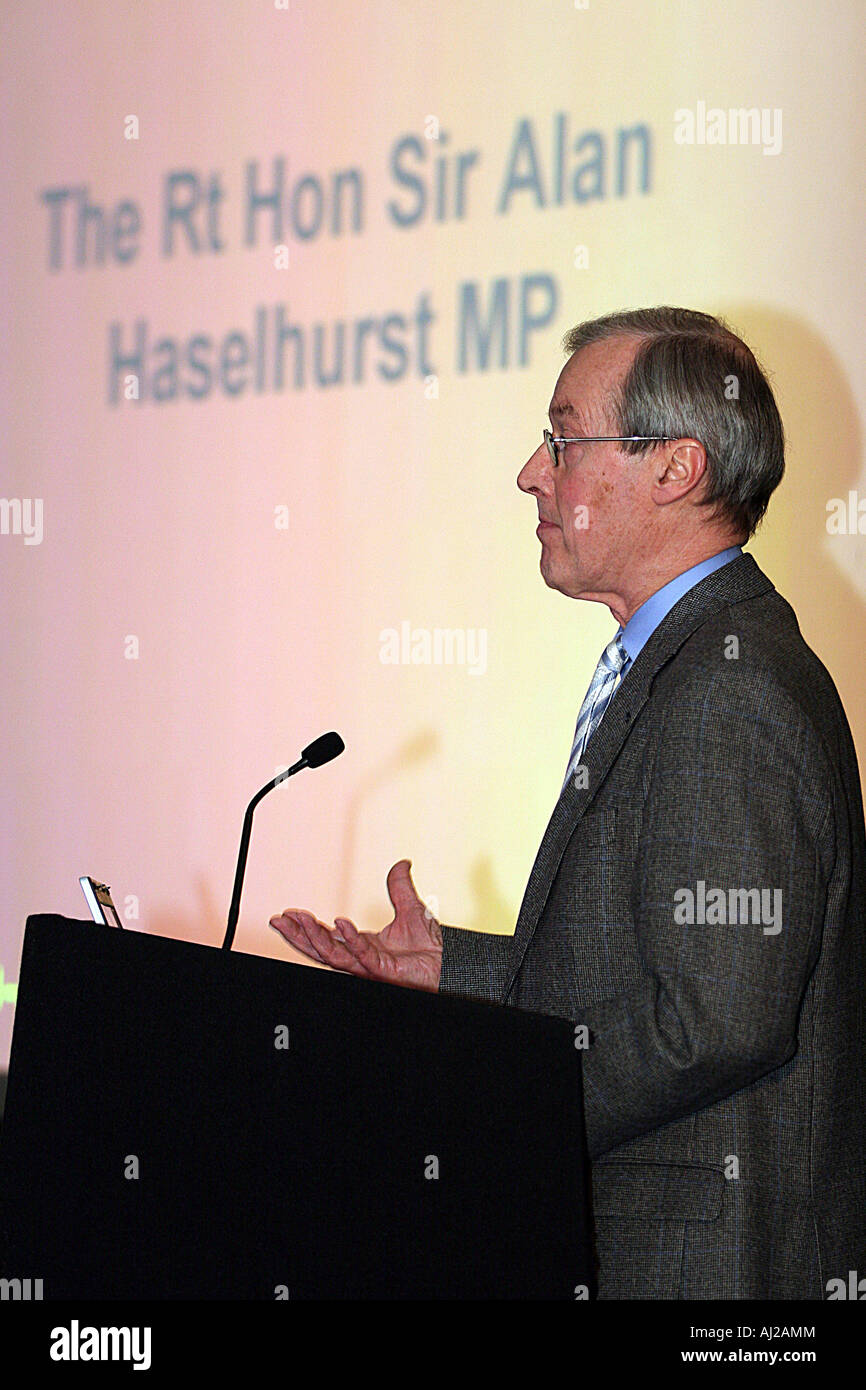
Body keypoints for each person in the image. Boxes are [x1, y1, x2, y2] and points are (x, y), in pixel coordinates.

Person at [270, 307, 866, 1300]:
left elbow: (716, 1018)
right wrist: (455, 970)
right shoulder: (693, 662)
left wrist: (490, 1103)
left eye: (561, 439)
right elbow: (662, 973)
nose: (529, 474)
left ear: (673, 469)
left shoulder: (730, 687)